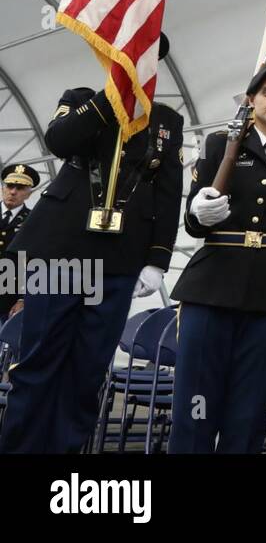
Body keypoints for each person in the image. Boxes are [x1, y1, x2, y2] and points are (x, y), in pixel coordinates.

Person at [0, 35, 183, 454]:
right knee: (39, 362)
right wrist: (111, 96)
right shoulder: (85, 99)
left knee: (88, 369)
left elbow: (169, 192)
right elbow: (59, 140)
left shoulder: (165, 121)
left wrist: (158, 259)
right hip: (62, 252)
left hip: (119, 260)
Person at [170, 56, 266, 453]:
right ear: (253, 99)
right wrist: (197, 212)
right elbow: (195, 223)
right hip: (211, 287)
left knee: (250, 409)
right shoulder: (222, 143)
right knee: (195, 406)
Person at [0, 164, 39, 316]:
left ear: (29, 194)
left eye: (20, 188)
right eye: (10, 186)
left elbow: (34, 261)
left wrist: (23, 299)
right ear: (3, 188)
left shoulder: (33, 221)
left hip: (9, 297)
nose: (13, 191)